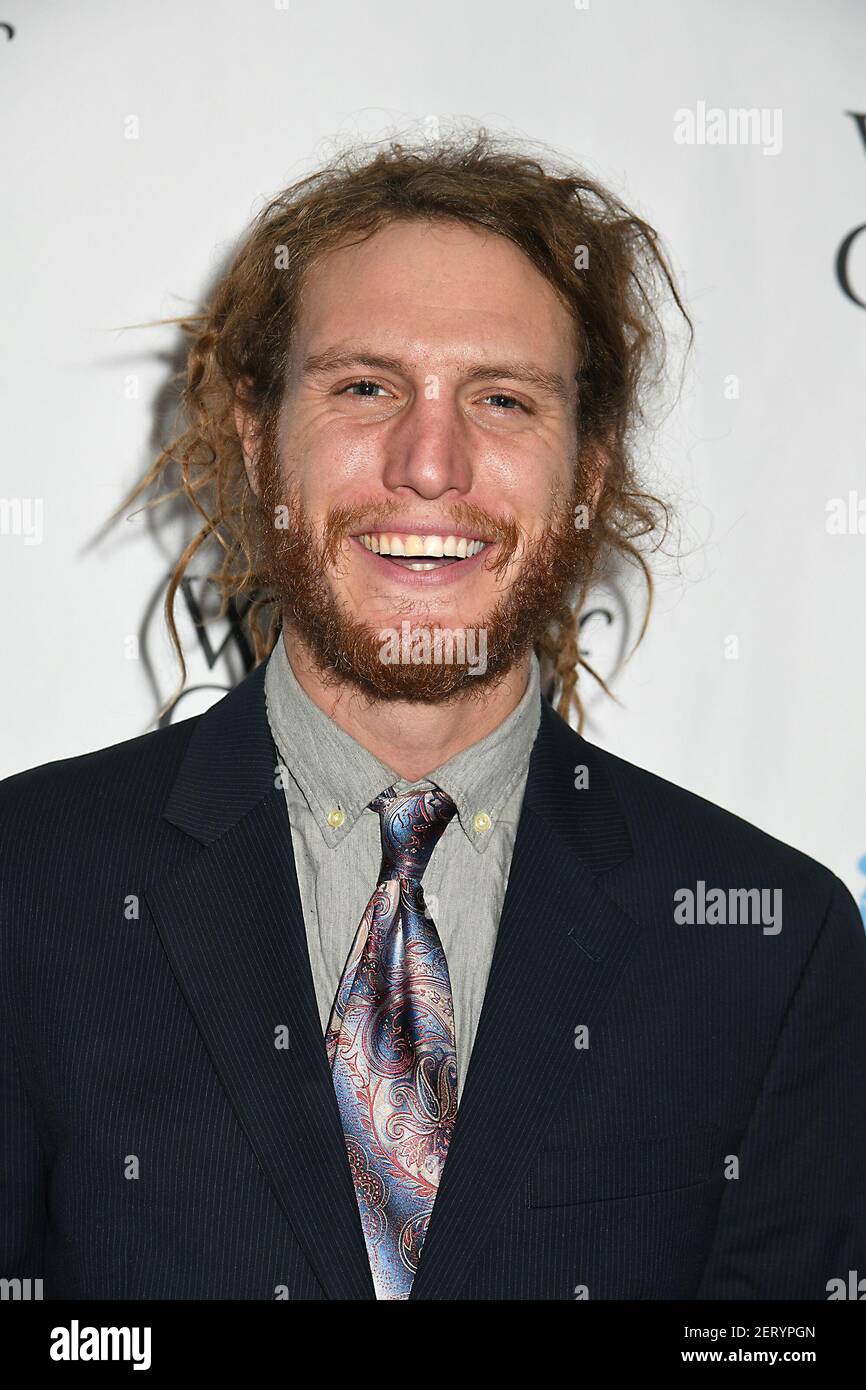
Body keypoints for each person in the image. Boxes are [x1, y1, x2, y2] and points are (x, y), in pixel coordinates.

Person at [2, 132, 864, 1301]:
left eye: (501, 399)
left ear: (588, 470)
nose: (428, 463)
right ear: (256, 438)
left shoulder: (766, 944)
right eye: (365, 387)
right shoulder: (27, 889)